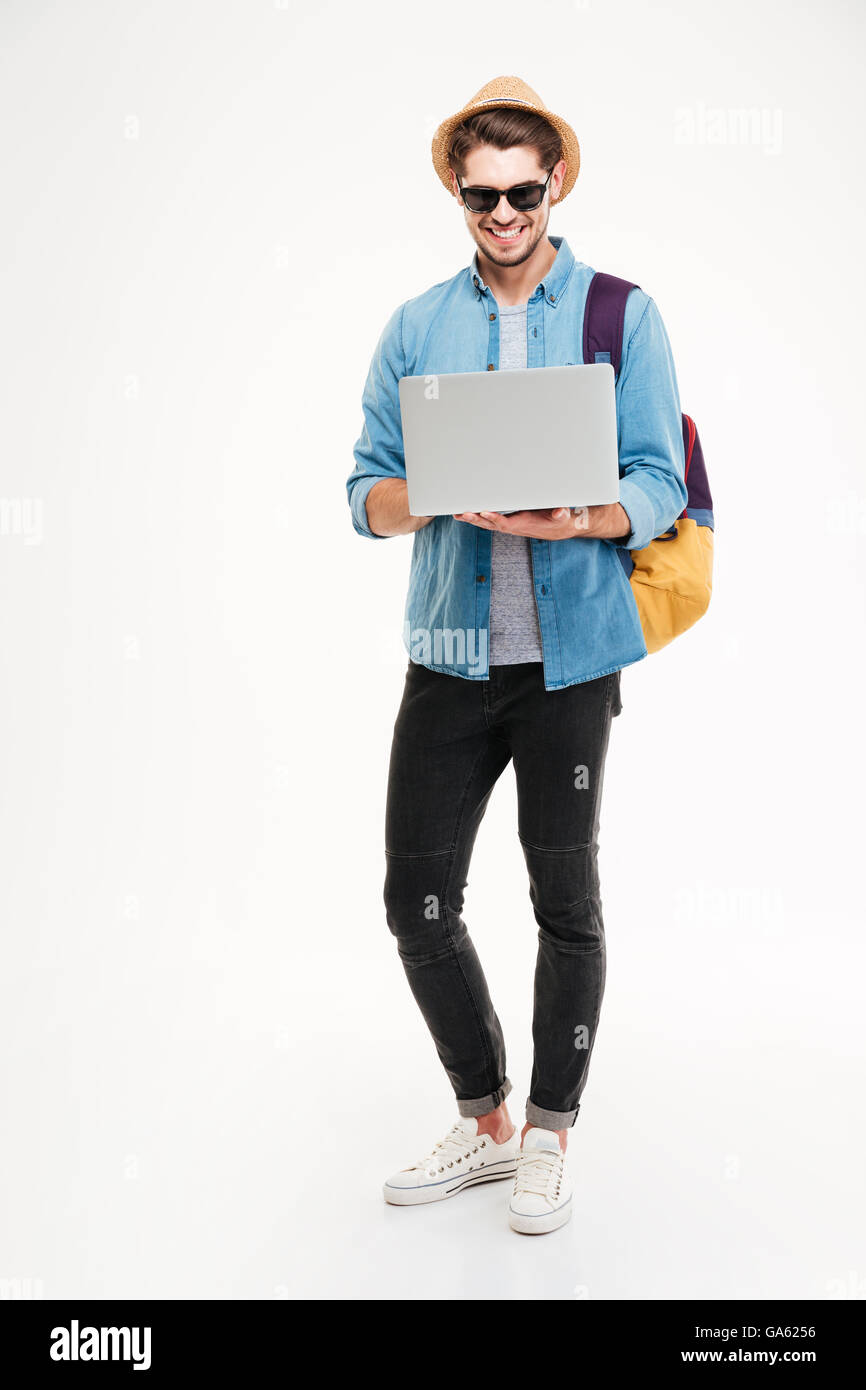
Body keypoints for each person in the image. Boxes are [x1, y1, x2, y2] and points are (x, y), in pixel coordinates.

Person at [347, 76, 686, 1235]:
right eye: (479, 194)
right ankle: (483, 1117)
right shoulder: (413, 325)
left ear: (555, 185)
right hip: (447, 652)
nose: (501, 213)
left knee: (563, 900)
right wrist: (431, 492)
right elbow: (365, 492)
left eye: (520, 192)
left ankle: (547, 1129)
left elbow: (658, 480)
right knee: (416, 900)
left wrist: (577, 517)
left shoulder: (619, 316)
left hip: (570, 659)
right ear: (457, 189)